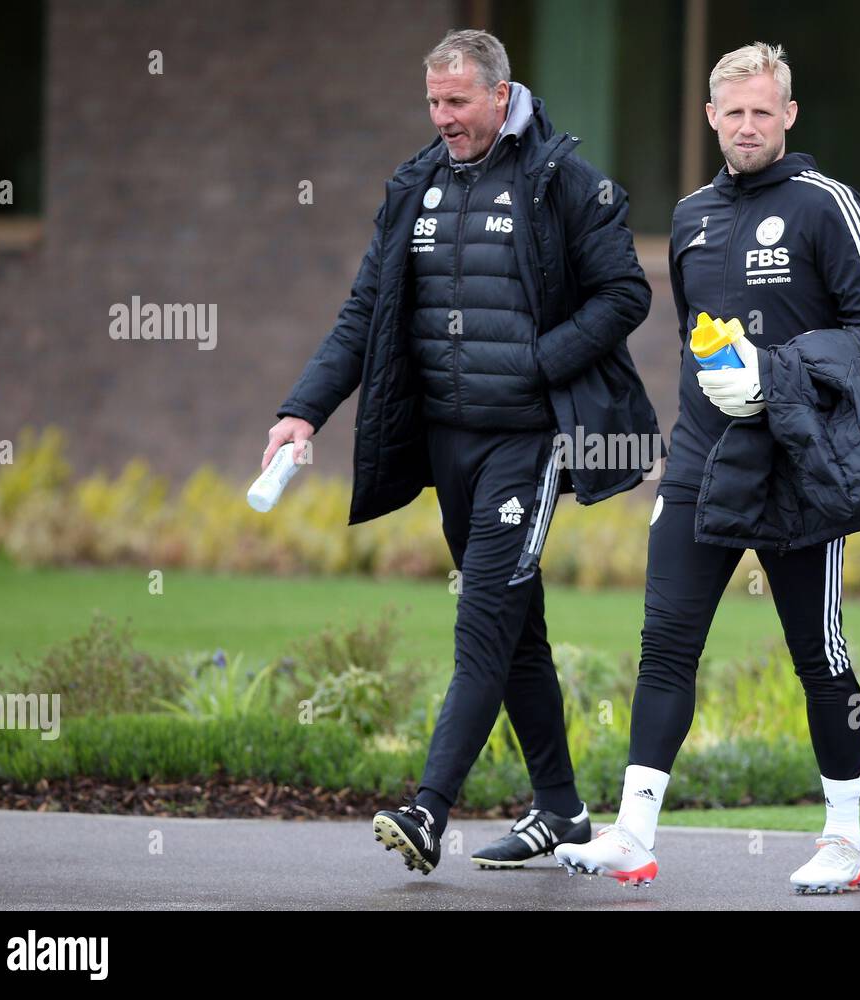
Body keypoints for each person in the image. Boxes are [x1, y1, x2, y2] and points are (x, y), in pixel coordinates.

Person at [264, 28, 662, 875]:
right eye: (433, 103)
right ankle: (561, 810)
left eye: (457, 102)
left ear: (499, 94)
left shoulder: (562, 180)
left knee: (481, 621)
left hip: (530, 442)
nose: (443, 118)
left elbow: (627, 292)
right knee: (518, 635)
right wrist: (303, 412)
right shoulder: (417, 187)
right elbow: (363, 312)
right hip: (449, 445)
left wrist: (539, 361)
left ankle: (427, 809)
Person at [554, 41, 860, 894]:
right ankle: (633, 834)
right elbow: (692, 347)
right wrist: (688, 442)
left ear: (787, 115)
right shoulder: (689, 217)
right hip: (706, 465)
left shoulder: (828, 205)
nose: (747, 126)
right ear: (711, 118)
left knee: (817, 653)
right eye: (733, 112)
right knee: (664, 646)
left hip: (803, 468)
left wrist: (774, 374)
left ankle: (844, 839)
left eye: (763, 111)